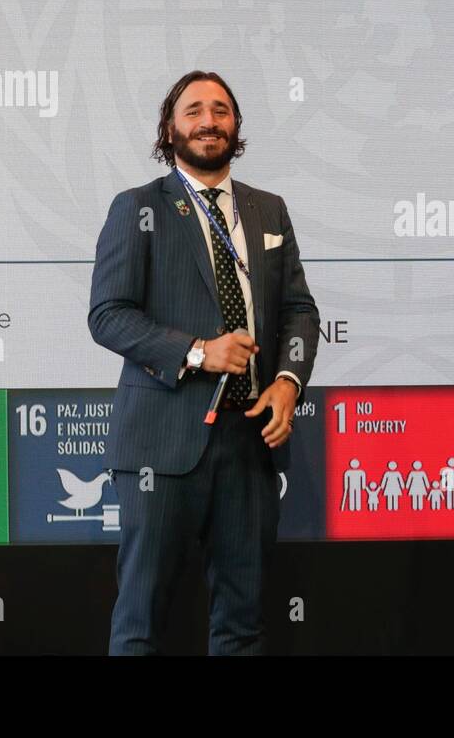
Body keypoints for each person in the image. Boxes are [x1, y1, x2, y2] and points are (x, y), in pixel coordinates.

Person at [89, 69, 319, 654]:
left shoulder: (269, 210)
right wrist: (197, 352)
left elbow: (299, 309)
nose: (208, 121)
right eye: (193, 110)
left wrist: (289, 383)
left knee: (242, 626)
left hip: (251, 443)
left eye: (220, 110)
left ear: (236, 125)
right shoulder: (139, 207)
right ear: (171, 127)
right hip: (162, 450)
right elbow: (108, 315)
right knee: (140, 621)